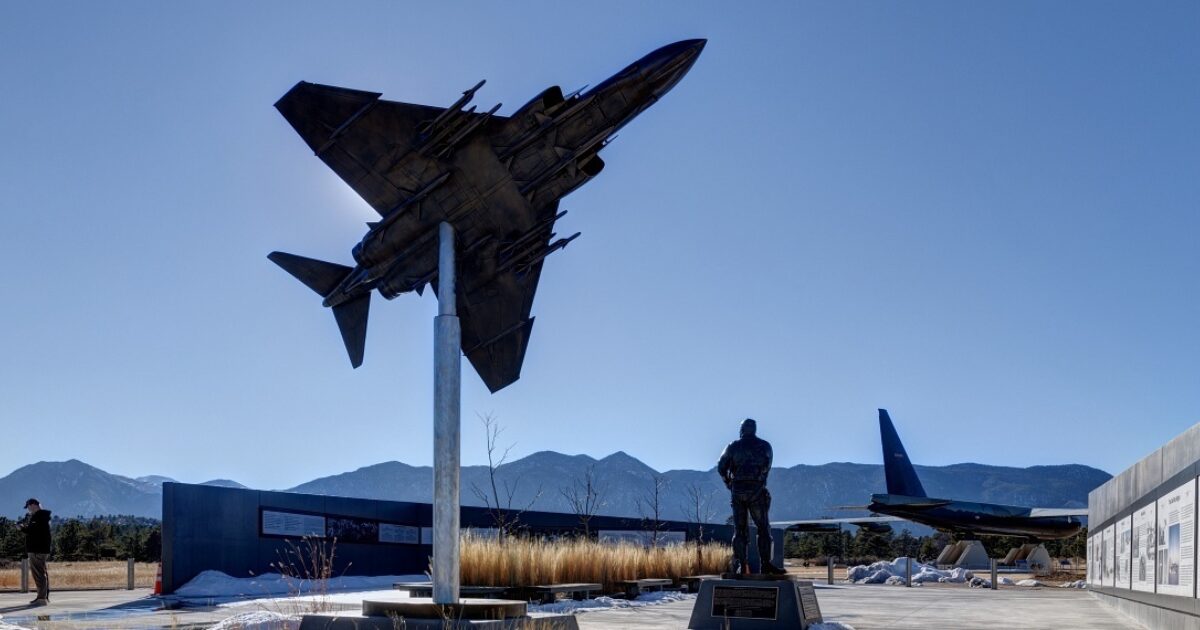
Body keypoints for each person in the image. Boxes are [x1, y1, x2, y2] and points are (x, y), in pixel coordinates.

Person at [718, 418, 786, 576]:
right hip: (756, 489)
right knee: (763, 528)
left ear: (741, 430)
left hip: (738, 490)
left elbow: (721, 467)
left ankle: (742, 565)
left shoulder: (733, 446)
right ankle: (766, 564)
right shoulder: (765, 446)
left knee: (739, 530)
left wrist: (729, 482)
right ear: (754, 430)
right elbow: (767, 468)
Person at [19, 498, 51, 605]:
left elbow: (34, 533)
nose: (28, 509)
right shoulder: (41, 517)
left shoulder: (39, 517)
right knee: (40, 573)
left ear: (33, 505)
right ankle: (42, 597)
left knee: (38, 574)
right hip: (39, 549)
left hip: (37, 550)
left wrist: (22, 528)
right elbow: (35, 532)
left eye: (28, 507)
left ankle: (41, 598)